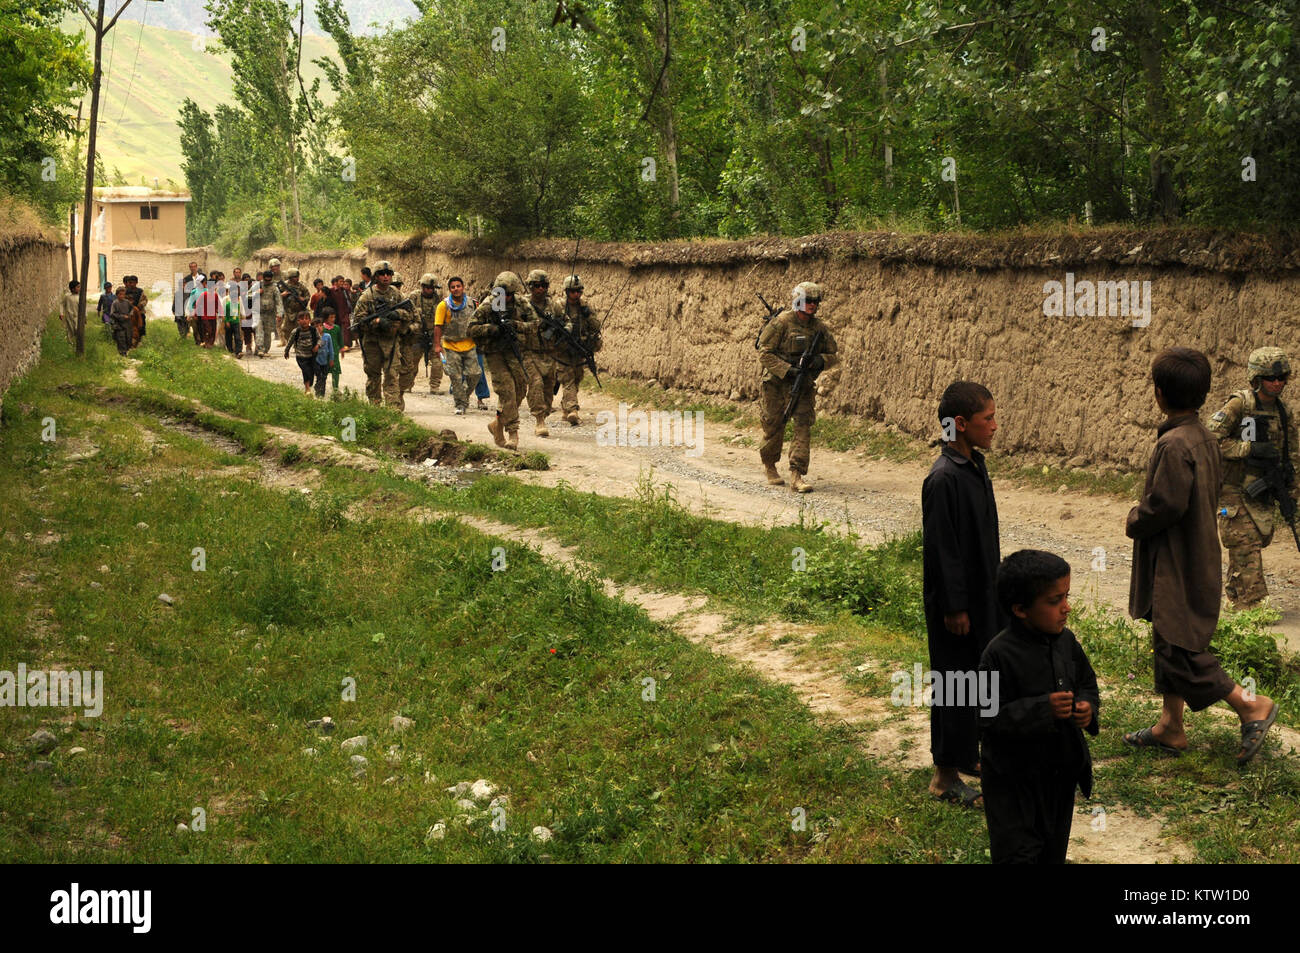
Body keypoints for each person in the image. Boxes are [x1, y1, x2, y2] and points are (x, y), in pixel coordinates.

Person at [1125, 347, 1279, 765]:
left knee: (1179, 647)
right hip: (1195, 554)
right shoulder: (1203, 438)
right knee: (1167, 637)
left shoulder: (1175, 445)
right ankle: (1170, 726)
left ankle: (1250, 705)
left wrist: (1136, 518)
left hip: (1175, 561)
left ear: (1158, 393)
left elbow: (1166, 506)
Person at [979, 550, 1100, 864]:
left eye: (1066, 596)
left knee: (1052, 851)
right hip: (1013, 785)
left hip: (1057, 776)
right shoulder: (997, 654)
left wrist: (1087, 707)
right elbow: (984, 716)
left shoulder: (1066, 641)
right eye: (1054, 601)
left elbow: (1086, 681)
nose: (1066, 608)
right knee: (1018, 854)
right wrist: (1041, 709)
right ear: (1020, 609)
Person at [922, 380, 1004, 807]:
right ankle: (944, 776)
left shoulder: (974, 466)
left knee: (979, 678)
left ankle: (969, 755)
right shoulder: (943, 480)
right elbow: (943, 551)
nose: (994, 426)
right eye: (987, 419)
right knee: (954, 685)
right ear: (960, 424)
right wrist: (954, 607)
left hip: (981, 599)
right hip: (956, 607)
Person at [1206, 347, 1300, 608]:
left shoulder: (1283, 412)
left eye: (1282, 377)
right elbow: (1210, 440)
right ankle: (1253, 605)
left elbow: (1290, 456)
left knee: (1253, 542)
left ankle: (1236, 596)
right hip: (1233, 489)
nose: (1277, 383)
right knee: (1246, 544)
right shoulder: (1240, 404)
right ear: (1257, 378)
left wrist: (1291, 493)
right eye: (1271, 377)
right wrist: (1248, 448)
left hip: (1262, 490)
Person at [756, 281, 838, 492]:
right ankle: (770, 464)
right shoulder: (781, 323)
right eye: (808, 301)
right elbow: (764, 352)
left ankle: (797, 474)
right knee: (774, 424)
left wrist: (819, 361)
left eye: (815, 302)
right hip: (776, 383)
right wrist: (787, 369)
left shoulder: (819, 328)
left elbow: (832, 354)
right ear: (799, 300)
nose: (812, 305)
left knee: (803, 425)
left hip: (802, 385)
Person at [469, 271, 539, 450]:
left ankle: (497, 425)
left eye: (508, 294)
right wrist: (492, 329)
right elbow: (471, 329)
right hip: (495, 353)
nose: (505, 297)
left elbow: (535, 324)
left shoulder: (521, 303)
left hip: (514, 350)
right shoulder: (489, 304)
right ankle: (513, 433)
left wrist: (516, 326)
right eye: (501, 293)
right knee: (506, 390)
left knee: (520, 388)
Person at [352, 260, 407, 407]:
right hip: (372, 342)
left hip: (391, 341)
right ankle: (375, 406)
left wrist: (397, 313)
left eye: (388, 274)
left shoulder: (397, 295)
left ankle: (393, 408)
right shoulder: (366, 296)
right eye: (382, 274)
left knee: (391, 375)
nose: (386, 277)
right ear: (376, 276)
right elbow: (358, 320)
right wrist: (376, 322)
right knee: (374, 375)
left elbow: (411, 314)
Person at [555, 274, 602, 425]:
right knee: (567, 379)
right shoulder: (559, 306)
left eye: (579, 291)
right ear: (566, 291)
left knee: (577, 378)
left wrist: (588, 314)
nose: (576, 295)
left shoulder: (585, 307)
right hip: (563, 349)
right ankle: (573, 410)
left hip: (579, 349)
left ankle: (565, 408)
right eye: (572, 291)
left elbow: (596, 327)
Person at [524, 270, 563, 436]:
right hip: (529, 352)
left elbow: (566, 322)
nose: (541, 289)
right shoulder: (523, 305)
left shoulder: (554, 306)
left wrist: (561, 329)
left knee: (548, 388)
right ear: (531, 287)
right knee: (536, 384)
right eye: (537, 286)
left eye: (544, 286)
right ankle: (539, 420)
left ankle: (544, 413)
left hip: (549, 353)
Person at [435, 275, 480, 416]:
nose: (456, 289)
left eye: (458, 286)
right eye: (453, 287)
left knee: (475, 374)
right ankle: (460, 404)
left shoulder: (473, 303)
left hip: (469, 345)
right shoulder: (444, 305)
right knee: (455, 377)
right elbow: (438, 326)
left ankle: (463, 396)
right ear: (450, 289)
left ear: (463, 287)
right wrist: (437, 345)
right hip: (451, 346)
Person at [400, 274, 441, 402]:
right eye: (428, 287)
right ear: (422, 286)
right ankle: (408, 384)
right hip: (417, 335)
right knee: (412, 361)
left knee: (437, 362)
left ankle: (435, 386)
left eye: (432, 288)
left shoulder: (437, 298)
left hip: (433, 334)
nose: (430, 290)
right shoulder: (413, 297)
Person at [283, 311, 321, 395]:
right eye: (302, 319)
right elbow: (290, 342)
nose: (304, 321)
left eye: (306, 319)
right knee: (306, 371)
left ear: (310, 320)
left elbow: (319, 339)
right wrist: (286, 351)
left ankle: (310, 384)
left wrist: (317, 346)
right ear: (298, 321)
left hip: (312, 355)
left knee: (312, 371)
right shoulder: (296, 332)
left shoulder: (314, 330)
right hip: (301, 356)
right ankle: (307, 389)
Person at [252, 270, 280, 358]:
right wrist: (256, 293)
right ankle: (260, 349)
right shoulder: (257, 285)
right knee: (259, 331)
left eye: (269, 280)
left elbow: (278, 301)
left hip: (270, 313)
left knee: (268, 332)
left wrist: (279, 313)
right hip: (258, 313)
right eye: (266, 280)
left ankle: (266, 350)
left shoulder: (274, 287)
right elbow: (247, 296)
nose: (267, 282)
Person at [280, 268, 309, 343]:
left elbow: (307, 295)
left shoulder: (301, 286)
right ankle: (290, 342)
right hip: (288, 311)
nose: (297, 278)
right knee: (286, 329)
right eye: (295, 277)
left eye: (298, 277)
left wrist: (303, 299)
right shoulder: (284, 285)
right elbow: (276, 296)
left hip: (299, 311)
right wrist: (282, 295)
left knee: (299, 328)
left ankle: (297, 344)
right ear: (291, 277)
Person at [311, 313, 334, 398]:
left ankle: (322, 395)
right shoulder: (312, 338)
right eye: (316, 327)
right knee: (319, 376)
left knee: (324, 377)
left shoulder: (327, 336)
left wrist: (331, 359)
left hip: (325, 361)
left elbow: (331, 349)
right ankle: (317, 390)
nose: (319, 328)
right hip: (316, 361)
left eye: (320, 326)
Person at [321, 306, 343, 396]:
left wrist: (342, 349)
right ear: (325, 318)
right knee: (324, 371)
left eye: (334, 317)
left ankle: (335, 389)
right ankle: (321, 388)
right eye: (331, 317)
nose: (333, 319)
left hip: (335, 353)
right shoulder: (321, 328)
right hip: (324, 354)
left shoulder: (337, 328)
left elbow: (340, 339)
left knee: (336, 370)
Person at [122, 275, 149, 346]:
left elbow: (145, 300)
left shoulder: (140, 291)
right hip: (128, 312)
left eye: (133, 282)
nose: (132, 284)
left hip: (139, 312)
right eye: (130, 282)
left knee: (141, 325)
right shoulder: (125, 291)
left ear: (136, 283)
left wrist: (140, 305)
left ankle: (140, 340)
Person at [109, 286, 134, 356]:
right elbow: (112, 314)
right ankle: (122, 353)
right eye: (120, 294)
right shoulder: (115, 303)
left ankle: (126, 351)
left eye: (123, 294)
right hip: (119, 324)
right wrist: (122, 316)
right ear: (117, 295)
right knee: (121, 338)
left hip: (127, 324)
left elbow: (132, 309)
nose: (122, 296)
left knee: (128, 337)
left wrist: (130, 314)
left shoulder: (127, 302)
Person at [60, 280, 81, 345]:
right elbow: (62, 304)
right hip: (69, 317)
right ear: (73, 289)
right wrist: (61, 313)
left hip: (77, 317)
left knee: (78, 331)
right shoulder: (67, 296)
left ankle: (78, 345)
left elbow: (83, 308)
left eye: (79, 287)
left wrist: (85, 317)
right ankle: (70, 345)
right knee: (70, 331)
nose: (79, 288)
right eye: (77, 287)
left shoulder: (80, 297)